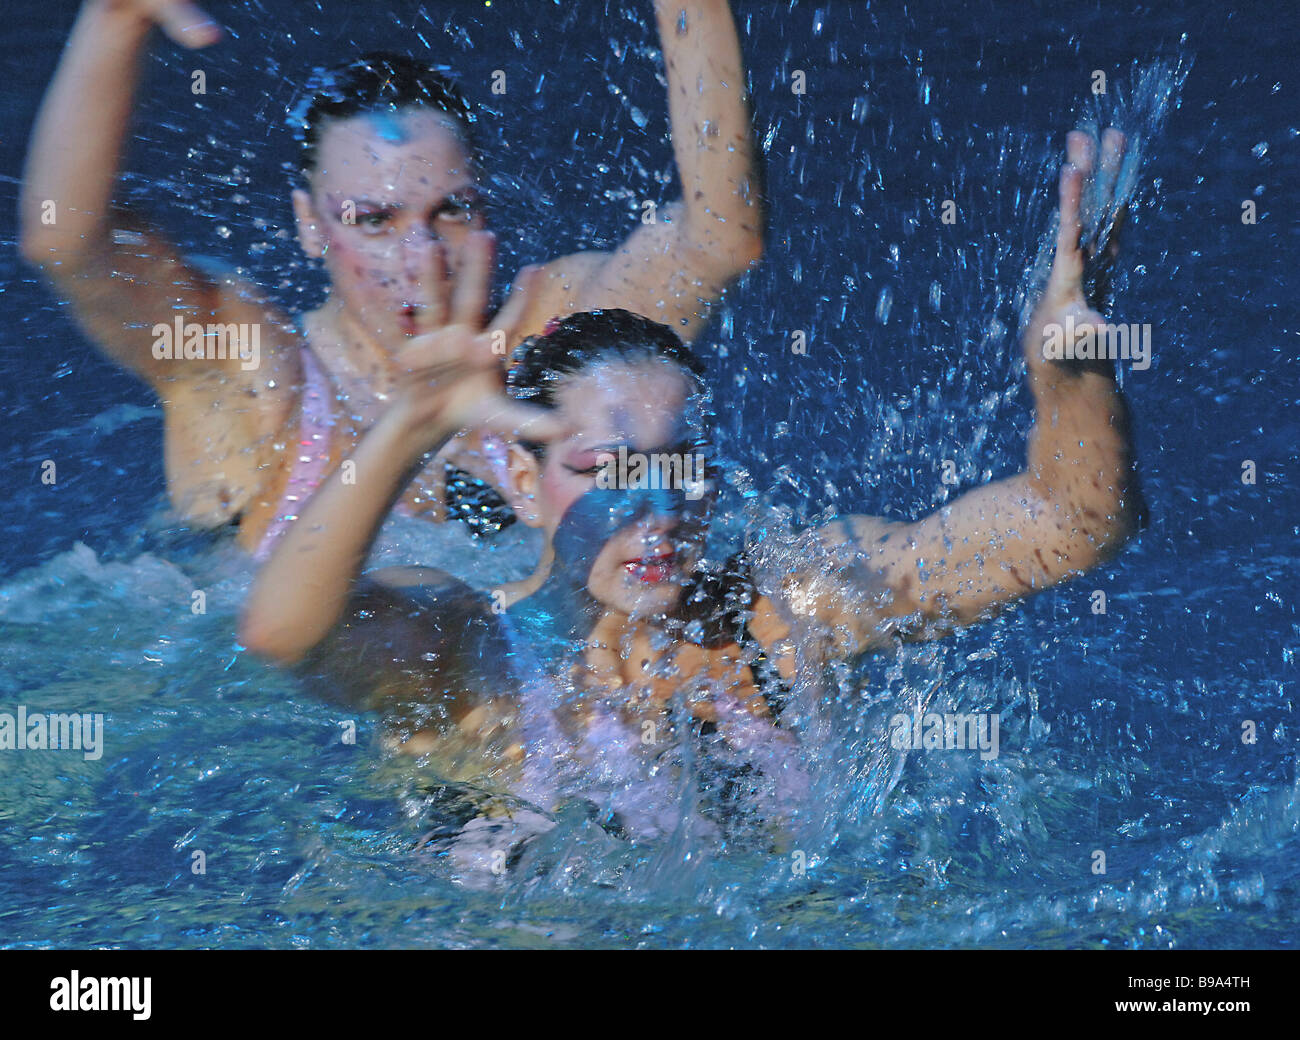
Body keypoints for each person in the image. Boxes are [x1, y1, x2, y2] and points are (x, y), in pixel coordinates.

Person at [238, 129, 1146, 845]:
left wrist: (1072, 375)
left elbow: (1074, 524)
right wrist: (407, 429)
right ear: (520, 479)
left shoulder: (798, 607)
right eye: (604, 473)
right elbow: (282, 631)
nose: (653, 511)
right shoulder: (465, 657)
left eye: (678, 469)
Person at [18, 0, 763, 558]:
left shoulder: (551, 340)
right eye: (373, 220)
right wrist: (112, 22)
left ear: (486, 203)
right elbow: (61, 237)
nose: (422, 260)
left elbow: (720, 239)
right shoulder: (251, 372)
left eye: (451, 213)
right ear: (310, 224)